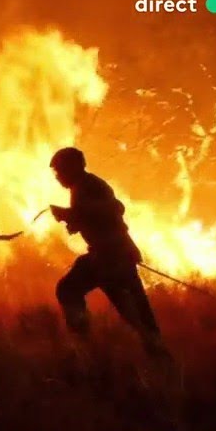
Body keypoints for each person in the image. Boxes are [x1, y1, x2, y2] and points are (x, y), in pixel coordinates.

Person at [47, 147, 168, 356]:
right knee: (134, 312)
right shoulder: (83, 186)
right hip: (109, 255)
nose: (58, 177)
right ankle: (156, 352)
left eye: (60, 171)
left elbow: (112, 209)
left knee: (70, 290)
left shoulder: (89, 185)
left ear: (74, 167)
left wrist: (70, 214)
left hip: (111, 256)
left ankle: (84, 343)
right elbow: (101, 215)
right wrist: (73, 219)